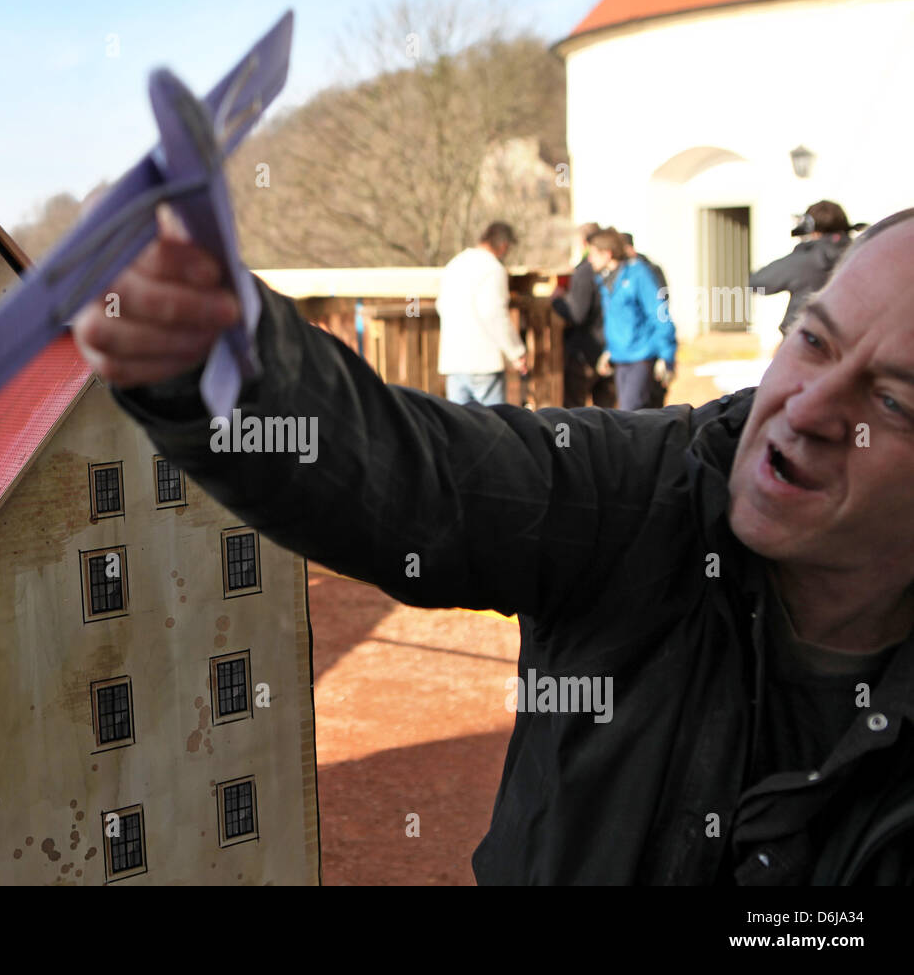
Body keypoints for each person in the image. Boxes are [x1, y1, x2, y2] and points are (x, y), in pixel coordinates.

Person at [74, 204, 914, 885]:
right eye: (812, 340)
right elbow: (420, 474)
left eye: (894, 403)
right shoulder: (643, 494)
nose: (808, 409)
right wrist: (225, 362)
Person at [434, 222, 528, 406]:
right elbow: (493, 312)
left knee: (459, 427)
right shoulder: (493, 269)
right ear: (504, 246)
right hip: (483, 363)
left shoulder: (454, 264)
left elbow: (441, 305)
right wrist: (516, 352)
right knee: (493, 427)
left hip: (453, 362)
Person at [586, 227, 676, 411]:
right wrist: (609, 351)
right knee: (632, 416)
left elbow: (659, 313)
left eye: (593, 254)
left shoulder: (638, 274)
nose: (589, 259)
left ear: (608, 253)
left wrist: (666, 356)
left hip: (642, 356)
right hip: (621, 358)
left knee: (630, 414)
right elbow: (618, 321)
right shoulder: (606, 281)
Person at [751, 200, 853, 335]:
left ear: (812, 230)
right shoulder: (861, 253)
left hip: (806, 341)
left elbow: (758, 282)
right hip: (851, 340)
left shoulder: (807, 258)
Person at [553, 222, 614, 408]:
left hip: (586, 353)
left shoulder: (585, 272)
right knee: (607, 414)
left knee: (574, 414)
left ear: (584, 243)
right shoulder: (616, 270)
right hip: (610, 349)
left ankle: (569, 439)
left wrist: (557, 302)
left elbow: (577, 314)